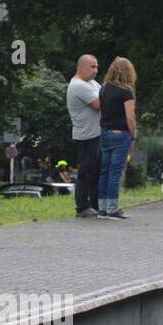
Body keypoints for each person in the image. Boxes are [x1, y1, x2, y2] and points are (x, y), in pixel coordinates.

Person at [97, 56, 138, 220]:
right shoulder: (127, 91)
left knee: (104, 172)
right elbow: (130, 117)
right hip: (121, 134)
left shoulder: (104, 89)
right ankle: (113, 210)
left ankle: (102, 209)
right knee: (115, 173)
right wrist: (132, 133)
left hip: (105, 132)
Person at [65, 54, 101, 217]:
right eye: (92, 67)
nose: (96, 71)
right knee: (86, 172)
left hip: (96, 134)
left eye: (97, 67)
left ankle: (95, 204)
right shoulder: (79, 85)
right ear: (81, 68)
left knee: (96, 171)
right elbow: (100, 104)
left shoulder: (92, 84)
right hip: (87, 136)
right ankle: (82, 206)